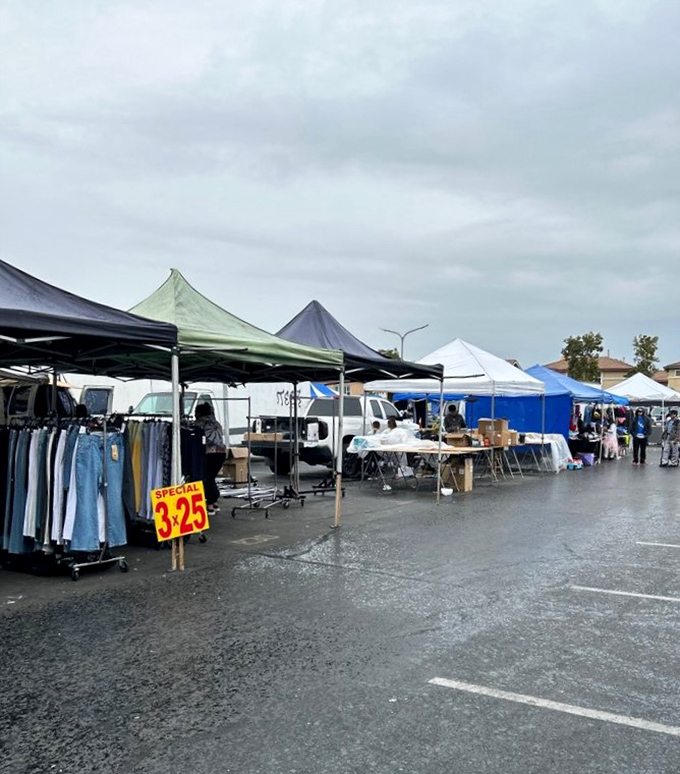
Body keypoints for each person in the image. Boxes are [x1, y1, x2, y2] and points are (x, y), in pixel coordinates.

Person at [194, 402, 226, 512]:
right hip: (221, 453)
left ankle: (210, 505)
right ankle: (215, 502)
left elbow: (196, 438)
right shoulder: (216, 422)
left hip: (209, 454)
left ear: (199, 413)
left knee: (207, 478)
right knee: (211, 477)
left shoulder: (200, 422)